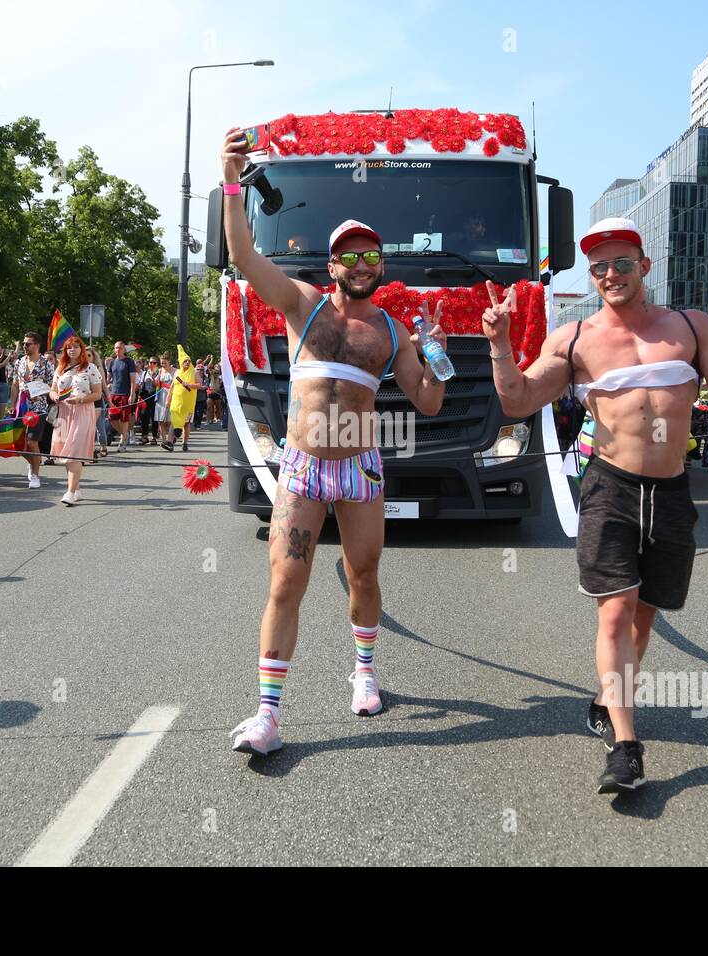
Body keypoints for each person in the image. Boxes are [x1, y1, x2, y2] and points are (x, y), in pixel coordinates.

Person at [484, 215, 708, 793]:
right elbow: (519, 401)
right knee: (616, 609)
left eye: (622, 263)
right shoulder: (575, 338)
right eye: (599, 266)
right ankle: (626, 746)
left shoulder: (691, 327)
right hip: (609, 486)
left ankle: (610, 696)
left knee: (644, 614)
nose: (610, 274)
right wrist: (501, 346)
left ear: (645, 266)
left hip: (672, 490)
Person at [220, 128, 449, 758]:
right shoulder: (305, 306)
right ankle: (267, 716)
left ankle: (365, 670)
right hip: (303, 466)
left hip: (361, 468)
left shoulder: (391, 330)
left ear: (381, 265)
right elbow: (243, 257)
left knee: (364, 573)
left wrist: (439, 358)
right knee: (285, 581)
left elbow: (427, 400)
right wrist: (230, 178)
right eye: (349, 255)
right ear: (332, 265)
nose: (360, 264)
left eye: (370, 254)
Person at [49, 335, 101, 505]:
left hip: (82, 411)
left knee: (74, 453)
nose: (72, 350)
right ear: (65, 350)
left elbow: (97, 394)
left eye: (76, 347)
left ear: (81, 349)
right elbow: (52, 390)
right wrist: (55, 396)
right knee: (65, 451)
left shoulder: (90, 368)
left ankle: (70, 492)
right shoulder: (60, 368)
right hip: (63, 413)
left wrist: (79, 400)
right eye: (69, 347)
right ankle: (76, 489)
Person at [11, 331, 54, 488]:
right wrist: (11, 404)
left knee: (32, 441)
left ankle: (35, 476)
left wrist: (39, 392)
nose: (24, 346)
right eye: (24, 343)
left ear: (37, 345)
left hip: (39, 407)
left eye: (28, 344)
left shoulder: (46, 364)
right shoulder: (20, 362)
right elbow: (15, 384)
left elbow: (52, 386)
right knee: (18, 442)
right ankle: (33, 461)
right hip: (21, 407)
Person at [165, 352, 200, 452]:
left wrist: (189, 384)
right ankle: (170, 443)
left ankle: (184, 443)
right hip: (176, 402)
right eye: (185, 361)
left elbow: (199, 385)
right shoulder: (177, 372)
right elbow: (172, 386)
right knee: (174, 421)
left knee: (186, 423)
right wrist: (168, 398)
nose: (187, 362)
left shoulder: (194, 372)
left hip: (188, 404)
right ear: (181, 362)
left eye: (189, 361)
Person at [104, 340, 137, 450]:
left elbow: (133, 380)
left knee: (124, 419)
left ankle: (123, 442)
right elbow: (108, 379)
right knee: (112, 418)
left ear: (124, 350)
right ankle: (124, 435)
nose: (118, 350)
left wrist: (132, 394)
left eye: (120, 348)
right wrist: (106, 388)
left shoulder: (129, 362)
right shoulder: (112, 362)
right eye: (116, 348)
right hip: (113, 393)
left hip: (125, 393)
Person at [153, 354, 174, 448]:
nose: (163, 365)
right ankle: (164, 440)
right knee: (160, 419)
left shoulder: (175, 371)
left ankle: (171, 438)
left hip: (172, 396)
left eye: (165, 363)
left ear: (169, 362)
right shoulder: (160, 371)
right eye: (162, 363)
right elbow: (156, 382)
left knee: (170, 420)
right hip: (161, 396)